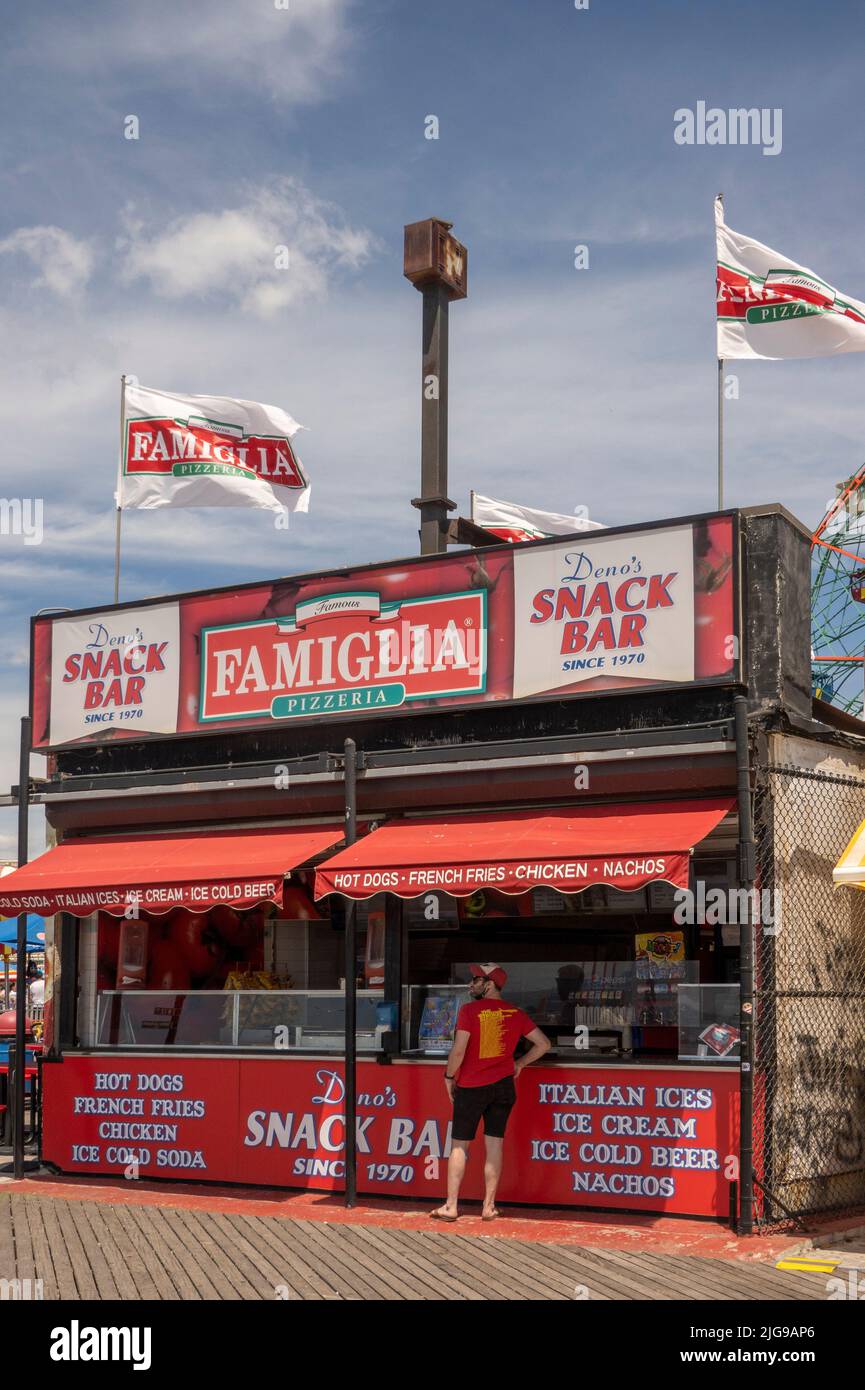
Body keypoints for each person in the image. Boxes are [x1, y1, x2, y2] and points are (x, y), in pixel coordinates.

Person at [431, 963, 550, 1222]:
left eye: (475, 979)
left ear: (490, 984)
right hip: (503, 1087)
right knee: (494, 1144)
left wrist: (449, 1076)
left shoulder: (469, 1011)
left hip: (472, 1087)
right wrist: (519, 1064)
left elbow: (459, 1050)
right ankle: (489, 1206)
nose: (470, 984)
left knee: (460, 1145)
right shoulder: (516, 1013)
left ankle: (451, 1206)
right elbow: (543, 1044)